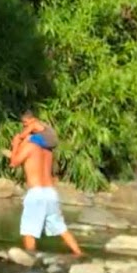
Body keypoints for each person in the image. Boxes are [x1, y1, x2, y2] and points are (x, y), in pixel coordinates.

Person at [9, 111, 82, 258]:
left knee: (29, 231)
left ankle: (30, 260)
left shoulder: (29, 147)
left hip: (36, 194)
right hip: (51, 193)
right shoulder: (48, 151)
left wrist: (16, 145)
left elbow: (14, 163)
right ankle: (79, 254)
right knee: (61, 229)